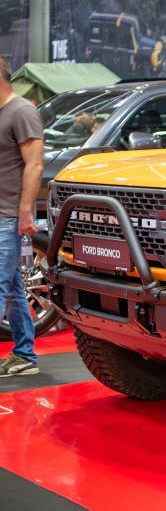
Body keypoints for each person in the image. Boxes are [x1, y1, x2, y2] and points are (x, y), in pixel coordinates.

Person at [0, 55, 43, 377]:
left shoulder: (22, 111)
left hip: (8, 217)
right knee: (14, 290)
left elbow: (35, 164)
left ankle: (25, 354)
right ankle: (25, 354)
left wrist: (25, 212)